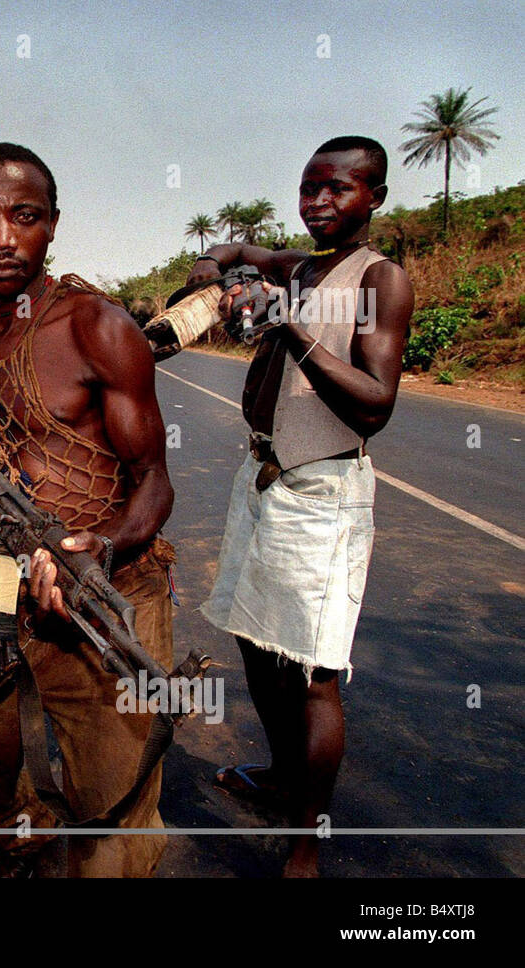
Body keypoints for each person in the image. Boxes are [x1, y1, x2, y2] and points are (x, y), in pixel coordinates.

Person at [0, 143, 177, 876]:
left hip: (101, 588)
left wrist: (103, 548)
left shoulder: (97, 326)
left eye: (22, 216)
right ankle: (20, 838)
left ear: (52, 225)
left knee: (112, 811)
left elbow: (154, 479)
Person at [190, 135, 413, 877]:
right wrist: (208, 270)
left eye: (338, 190)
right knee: (255, 642)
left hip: (322, 489)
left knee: (317, 673)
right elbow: (235, 248)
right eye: (309, 188)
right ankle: (286, 778)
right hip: (262, 481)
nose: (319, 202)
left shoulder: (378, 279)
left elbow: (376, 406)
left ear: (373, 198)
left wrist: (292, 327)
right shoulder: (296, 265)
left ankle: (305, 844)